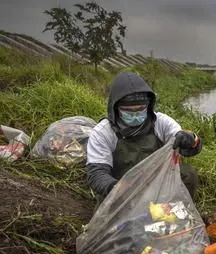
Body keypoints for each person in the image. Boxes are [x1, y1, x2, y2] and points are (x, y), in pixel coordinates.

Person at [86, 72, 202, 200]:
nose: (135, 115)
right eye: (129, 111)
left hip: (156, 184)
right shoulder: (103, 132)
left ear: (148, 106)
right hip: (123, 192)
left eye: (141, 109)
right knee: (108, 209)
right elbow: (96, 173)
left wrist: (189, 139)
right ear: (115, 108)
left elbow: (188, 147)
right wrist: (115, 187)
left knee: (187, 174)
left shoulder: (161, 122)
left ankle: (177, 211)